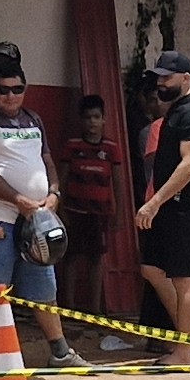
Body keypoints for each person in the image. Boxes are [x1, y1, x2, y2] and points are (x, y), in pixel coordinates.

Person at [0, 43, 86, 368]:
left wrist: (54, 195)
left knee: (44, 287)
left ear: (25, 90)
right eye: (3, 91)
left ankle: (60, 352)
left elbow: (47, 162)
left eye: (17, 90)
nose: (10, 96)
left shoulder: (34, 119)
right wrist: (19, 201)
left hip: (39, 222)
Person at [129, 49, 190, 366]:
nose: (161, 83)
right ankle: (184, 337)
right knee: (152, 269)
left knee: (184, 280)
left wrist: (154, 202)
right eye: (158, 77)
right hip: (170, 206)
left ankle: (183, 351)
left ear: (186, 79)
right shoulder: (177, 110)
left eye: (167, 77)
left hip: (187, 208)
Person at [60, 93, 123, 329]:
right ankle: (69, 307)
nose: (92, 122)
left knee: (96, 260)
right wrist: (61, 210)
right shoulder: (72, 146)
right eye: (88, 118)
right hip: (74, 211)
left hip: (100, 214)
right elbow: (63, 177)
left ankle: (95, 310)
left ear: (104, 119)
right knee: (71, 258)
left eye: (97, 117)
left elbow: (117, 182)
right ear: (81, 120)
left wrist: (117, 213)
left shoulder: (111, 148)